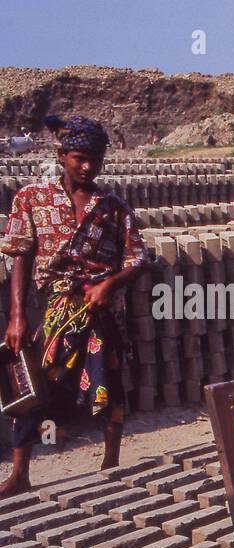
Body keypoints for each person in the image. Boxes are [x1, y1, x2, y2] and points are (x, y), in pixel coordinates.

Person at [1, 115, 150, 498]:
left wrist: (109, 285)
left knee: (109, 384)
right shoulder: (32, 198)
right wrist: (16, 316)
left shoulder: (114, 207)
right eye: (80, 158)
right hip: (50, 309)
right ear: (62, 155)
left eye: (95, 159)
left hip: (99, 311)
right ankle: (20, 473)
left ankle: (110, 462)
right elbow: (20, 256)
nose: (87, 167)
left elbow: (138, 260)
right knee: (32, 384)